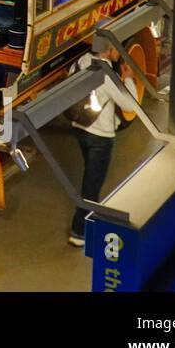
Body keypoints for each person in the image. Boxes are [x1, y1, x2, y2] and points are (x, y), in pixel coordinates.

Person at [67, 43, 138, 247]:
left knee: (90, 178)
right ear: (109, 49)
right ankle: (79, 231)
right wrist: (129, 79)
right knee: (92, 185)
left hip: (80, 128)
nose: (120, 52)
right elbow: (129, 104)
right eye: (119, 48)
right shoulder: (107, 74)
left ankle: (83, 225)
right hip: (100, 136)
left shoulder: (81, 63)